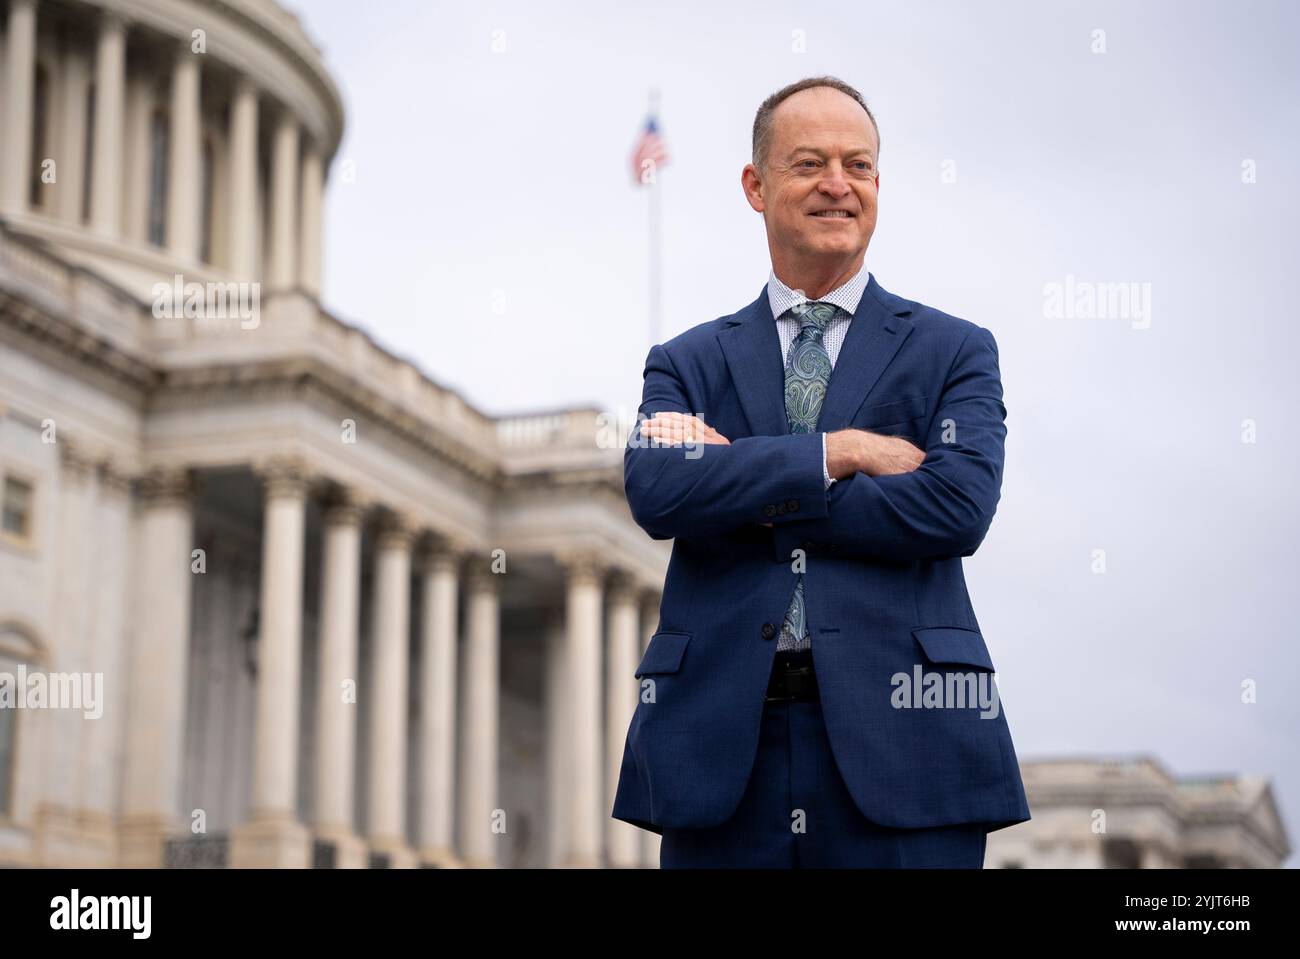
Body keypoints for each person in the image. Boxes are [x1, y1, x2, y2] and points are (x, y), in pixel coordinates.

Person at [611, 76, 1031, 868]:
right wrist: (837, 453)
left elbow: (955, 508)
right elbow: (660, 489)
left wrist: (744, 479)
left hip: (910, 747)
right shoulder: (688, 362)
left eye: (859, 165)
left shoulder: (954, 350)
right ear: (756, 185)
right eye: (809, 163)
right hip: (722, 752)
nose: (838, 184)